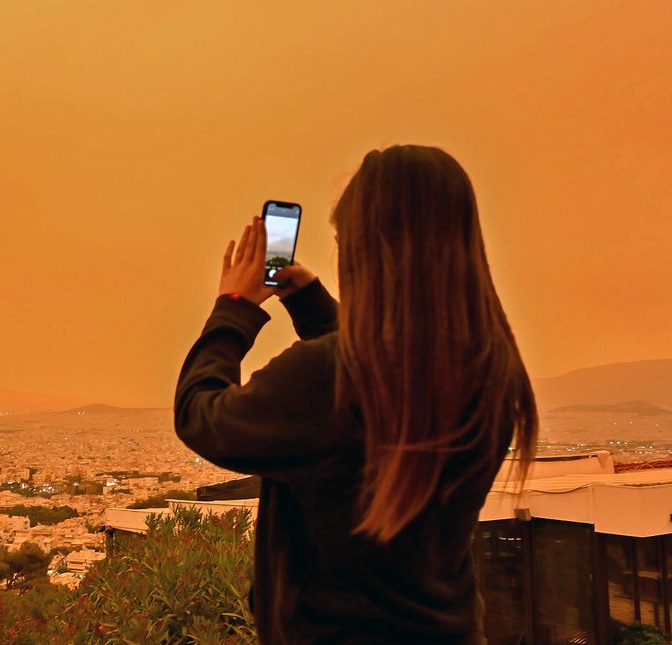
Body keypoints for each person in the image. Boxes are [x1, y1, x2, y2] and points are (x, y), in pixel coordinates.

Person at [174, 144, 538, 644]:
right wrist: (311, 301)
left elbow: (201, 416)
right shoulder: (492, 370)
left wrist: (233, 308)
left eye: (346, 240)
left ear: (371, 249)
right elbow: (384, 388)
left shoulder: (328, 376)